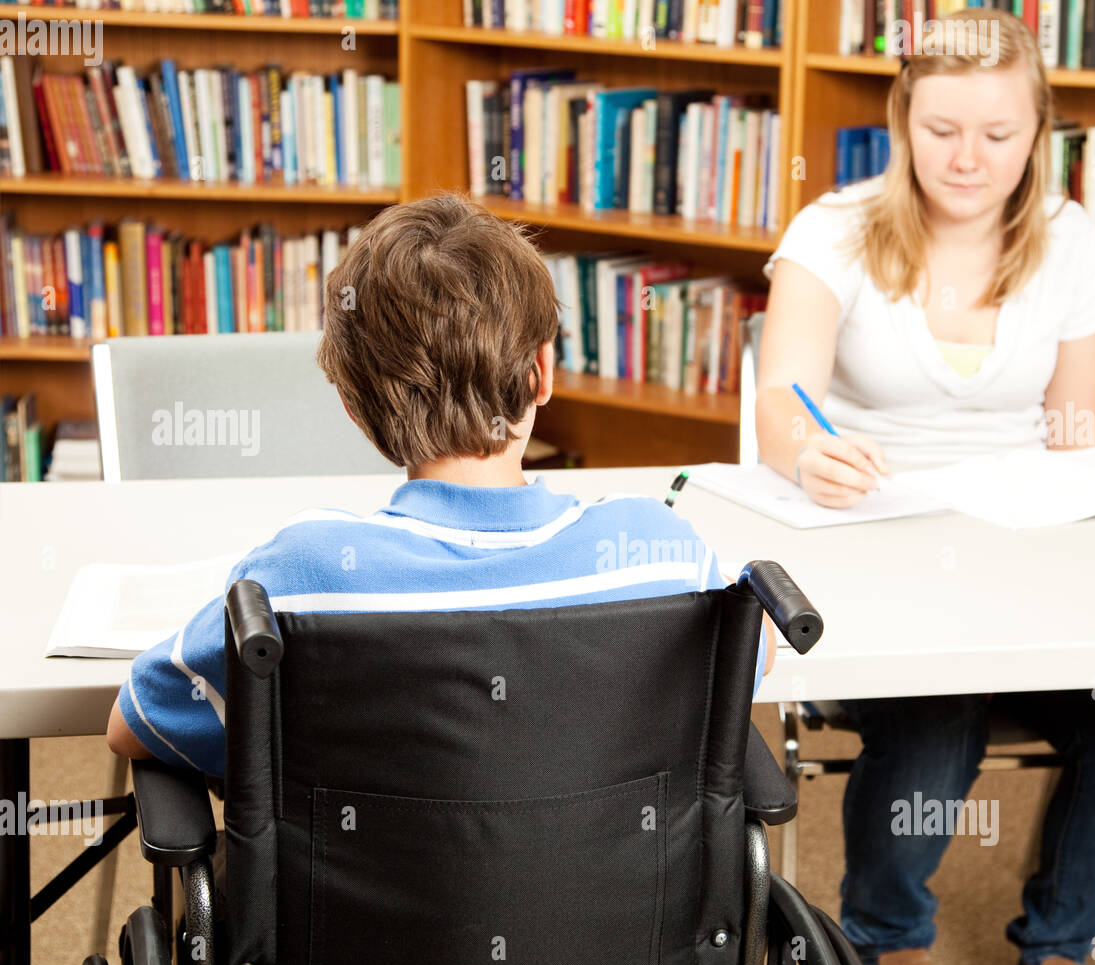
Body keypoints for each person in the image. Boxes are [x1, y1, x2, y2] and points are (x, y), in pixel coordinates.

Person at [755, 8, 1095, 965]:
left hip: (1025, 558)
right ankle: (887, 943)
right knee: (936, 712)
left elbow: (1083, 435)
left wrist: (1079, 508)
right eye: (941, 128)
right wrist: (809, 451)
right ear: (903, 118)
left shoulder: (1071, 240)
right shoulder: (833, 230)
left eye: (997, 134)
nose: (966, 159)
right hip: (877, 551)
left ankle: (1057, 955)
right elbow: (779, 402)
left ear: (1038, 130)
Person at [107, 192, 773, 777]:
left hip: (351, 924)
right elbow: (756, 652)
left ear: (352, 406)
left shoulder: (297, 576)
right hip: (638, 921)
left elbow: (131, 725)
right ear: (544, 371)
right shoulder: (658, 550)